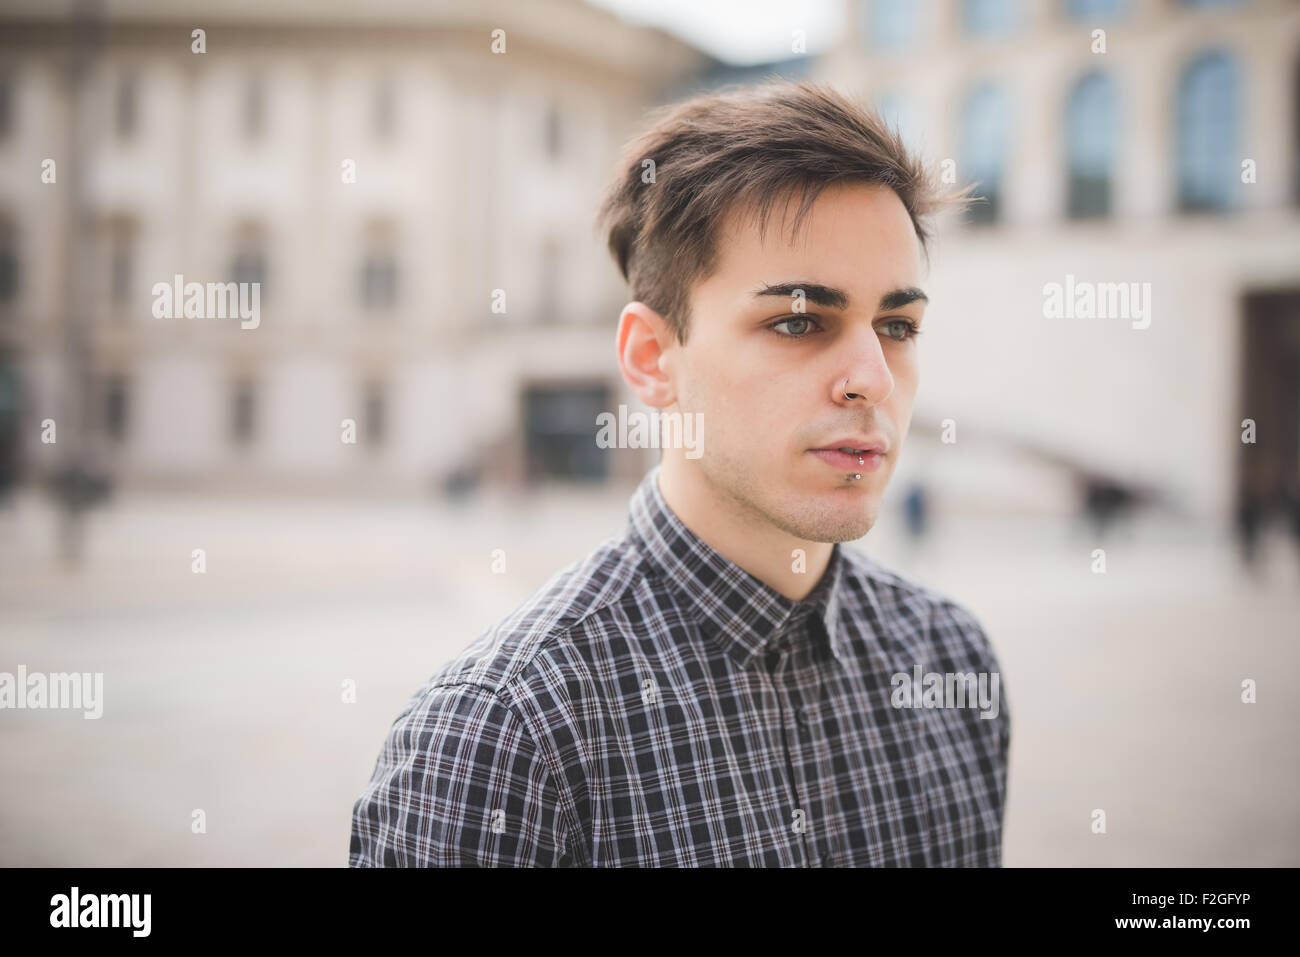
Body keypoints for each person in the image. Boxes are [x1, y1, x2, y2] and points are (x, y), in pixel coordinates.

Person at [349, 80, 1010, 867]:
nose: (871, 376)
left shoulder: (950, 661)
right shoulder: (505, 737)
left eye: (898, 325)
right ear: (650, 359)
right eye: (799, 321)